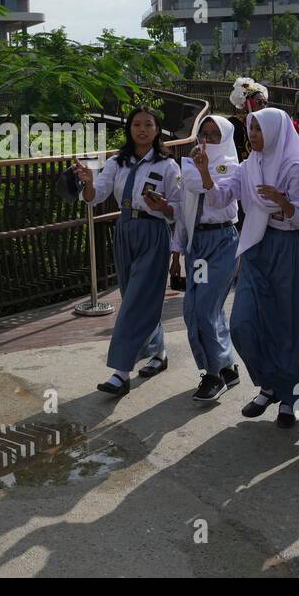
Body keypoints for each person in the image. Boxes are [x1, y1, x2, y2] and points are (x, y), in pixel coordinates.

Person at [196, 107, 299, 424]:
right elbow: (221, 199)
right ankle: (269, 384)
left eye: (260, 129)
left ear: (276, 131)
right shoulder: (248, 168)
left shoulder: (294, 167)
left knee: (287, 326)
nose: (254, 135)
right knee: (243, 325)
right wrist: (206, 173)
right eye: (251, 129)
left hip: (286, 249)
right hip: (254, 248)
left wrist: (284, 202)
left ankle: (289, 398)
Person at [75, 106, 183, 397]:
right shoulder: (116, 162)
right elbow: (95, 197)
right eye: (136, 124)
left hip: (153, 233)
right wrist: (87, 182)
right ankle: (159, 352)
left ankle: (120, 372)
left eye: (148, 124)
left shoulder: (167, 166)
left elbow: (177, 210)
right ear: (129, 129)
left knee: (134, 302)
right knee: (135, 296)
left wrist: (163, 207)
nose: (142, 129)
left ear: (157, 129)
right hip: (124, 231)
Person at [168, 115, 242, 402]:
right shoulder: (190, 166)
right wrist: (177, 251)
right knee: (194, 307)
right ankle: (226, 366)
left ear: (224, 138)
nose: (207, 139)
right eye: (204, 133)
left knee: (206, 308)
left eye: (214, 134)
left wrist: (202, 171)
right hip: (198, 248)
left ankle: (213, 374)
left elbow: (217, 198)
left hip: (222, 243)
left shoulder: (230, 166)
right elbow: (185, 215)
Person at [228, 77, 270, 161]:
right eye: (259, 102)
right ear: (248, 104)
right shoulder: (236, 124)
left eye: (265, 102)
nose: (263, 105)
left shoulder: (269, 123)